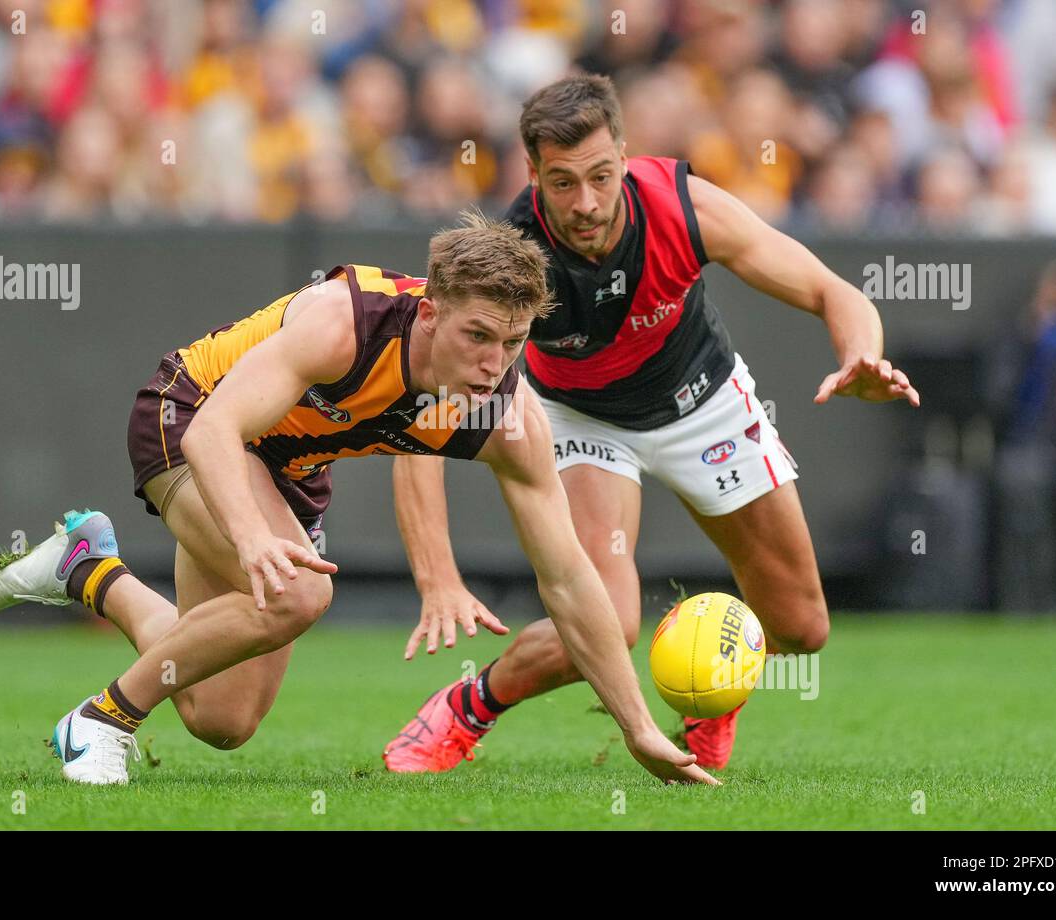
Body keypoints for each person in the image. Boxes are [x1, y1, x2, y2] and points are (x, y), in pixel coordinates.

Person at [0, 212, 716, 787]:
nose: (493, 366)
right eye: (479, 336)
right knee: (293, 595)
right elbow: (218, 431)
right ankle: (97, 723)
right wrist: (254, 539)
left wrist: (639, 727)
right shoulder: (343, 322)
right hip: (188, 417)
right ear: (431, 312)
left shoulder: (506, 416)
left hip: (290, 469)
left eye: (514, 342)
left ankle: (90, 569)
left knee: (220, 720)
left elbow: (570, 579)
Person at [383, 75, 920, 774]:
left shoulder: (682, 206)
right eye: (564, 182)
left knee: (802, 628)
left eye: (602, 176)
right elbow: (421, 419)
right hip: (581, 417)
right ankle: (467, 708)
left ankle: (705, 684)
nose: (587, 204)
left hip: (705, 400)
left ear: (626, 158)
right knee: (609, 619)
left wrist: (862, 356)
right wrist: (437, 578)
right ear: (532, 173)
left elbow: (831, 290)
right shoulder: (513, 252)